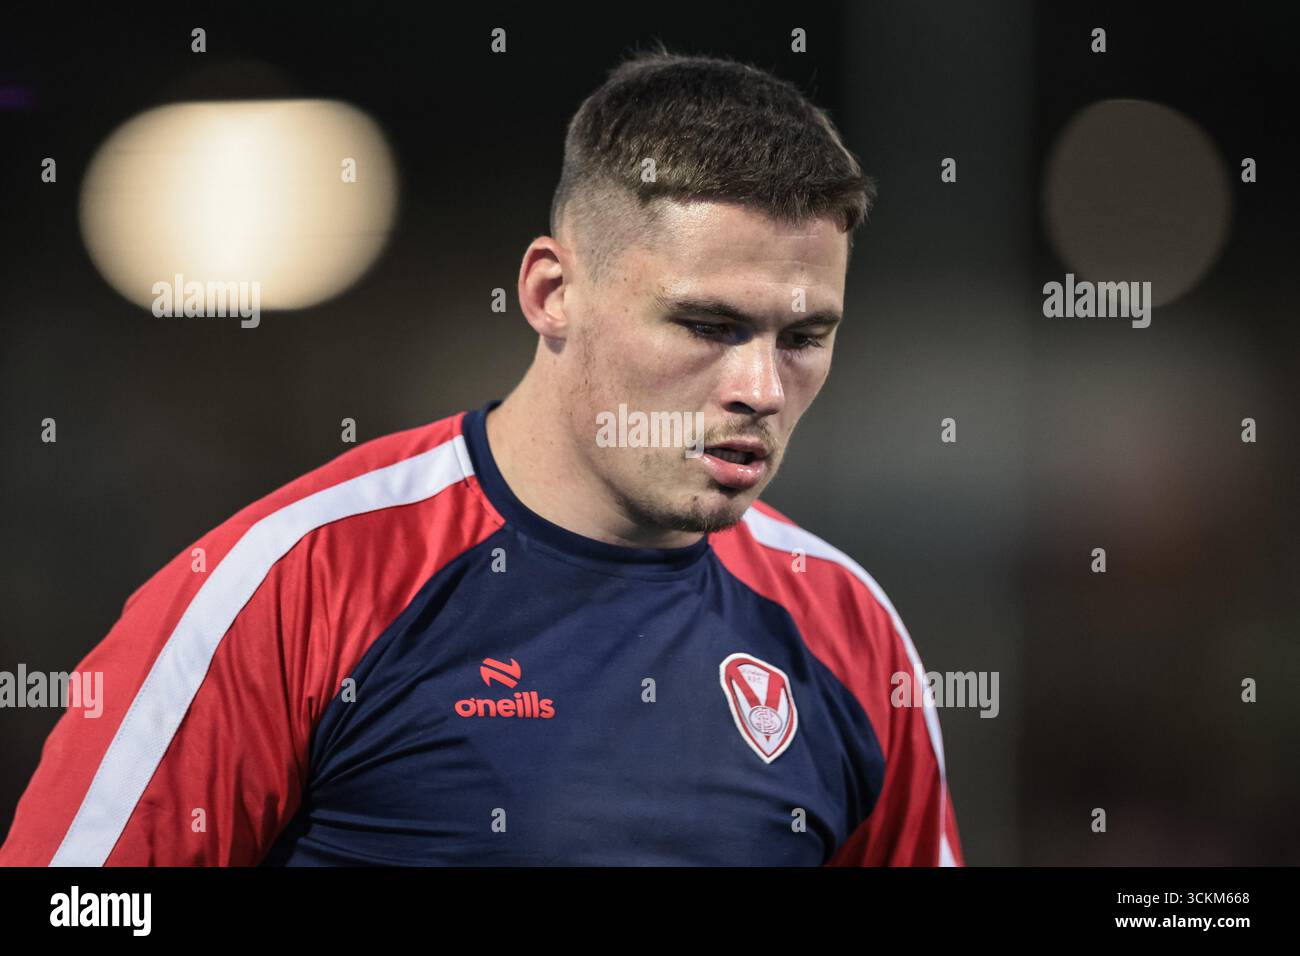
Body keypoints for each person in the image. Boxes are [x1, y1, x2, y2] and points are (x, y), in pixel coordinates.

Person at [0, 47, 963, 866]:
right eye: (706, 323)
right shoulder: (291, 587)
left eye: (803, 338)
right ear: (551, 293)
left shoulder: (850, 633)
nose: (759, 385)